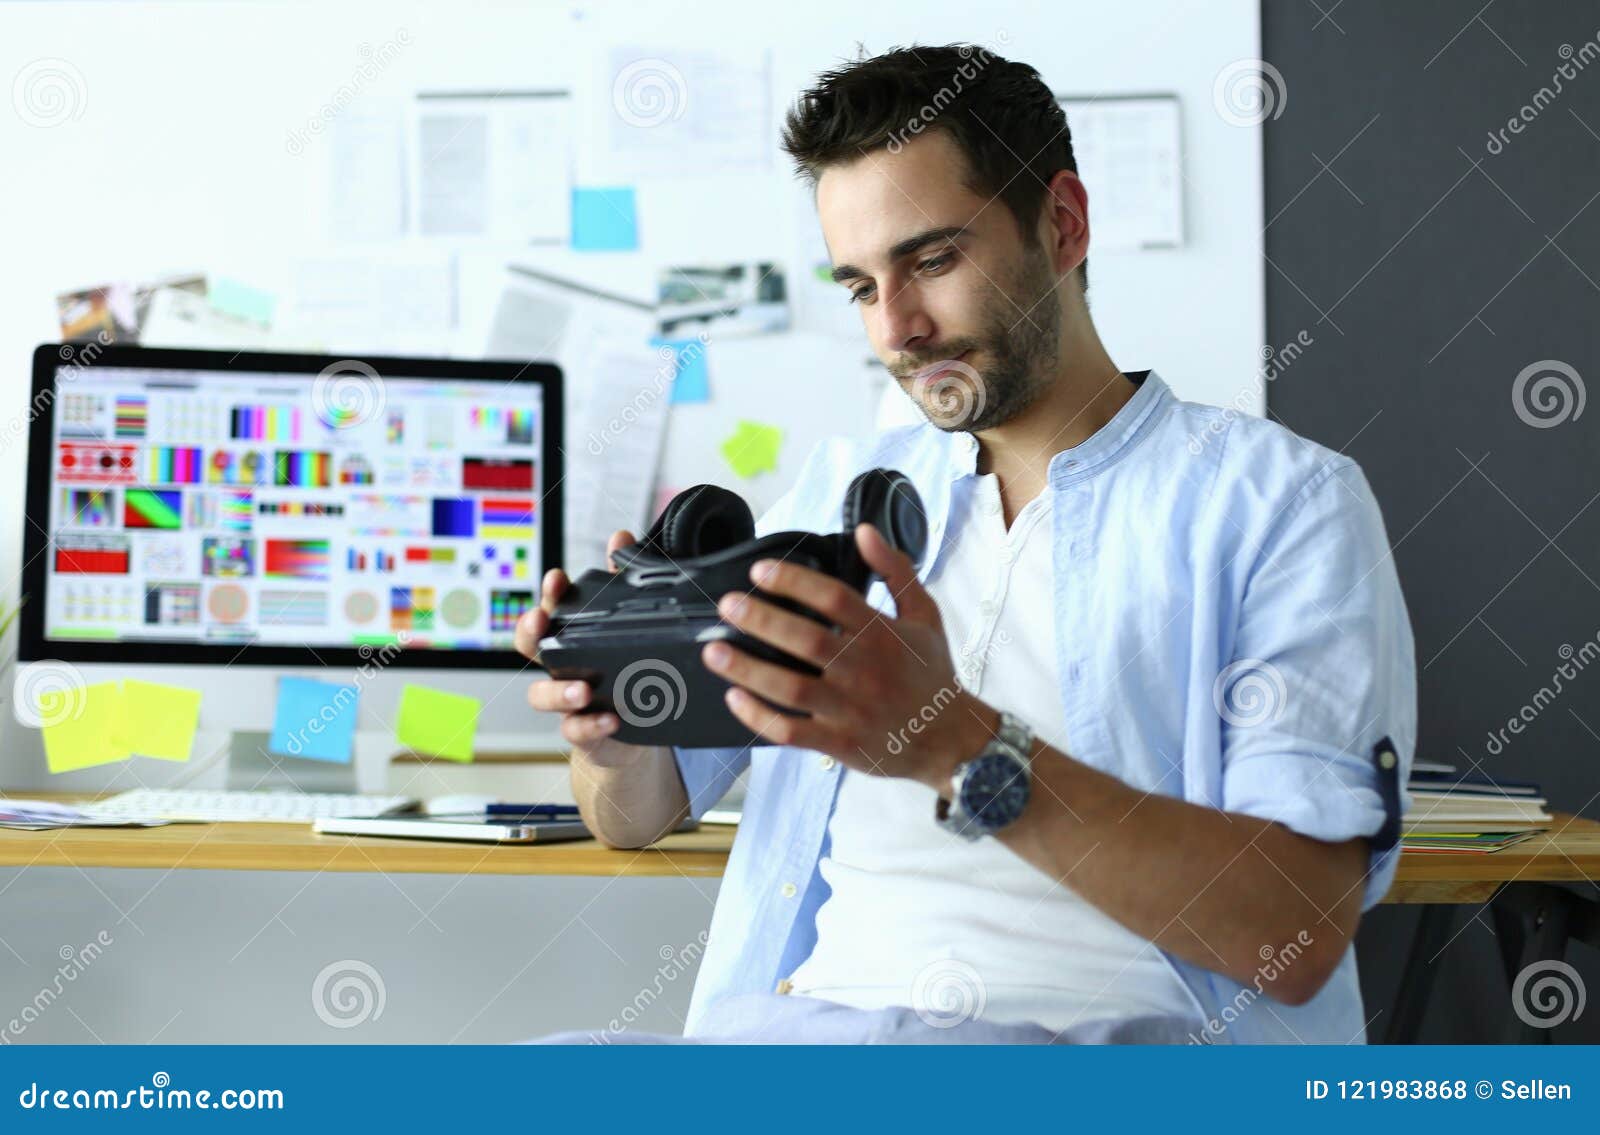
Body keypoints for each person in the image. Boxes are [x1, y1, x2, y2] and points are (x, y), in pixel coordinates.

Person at [516, 44, 1415, 1045]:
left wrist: (956, 744)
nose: (896, 326)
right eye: (859, 287)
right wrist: (606, 733)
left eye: (932, 259)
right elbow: (634, 812)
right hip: (793, 1043)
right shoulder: (831, 495)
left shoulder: (1281, 507)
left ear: (1062, 224)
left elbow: (1295, 930)